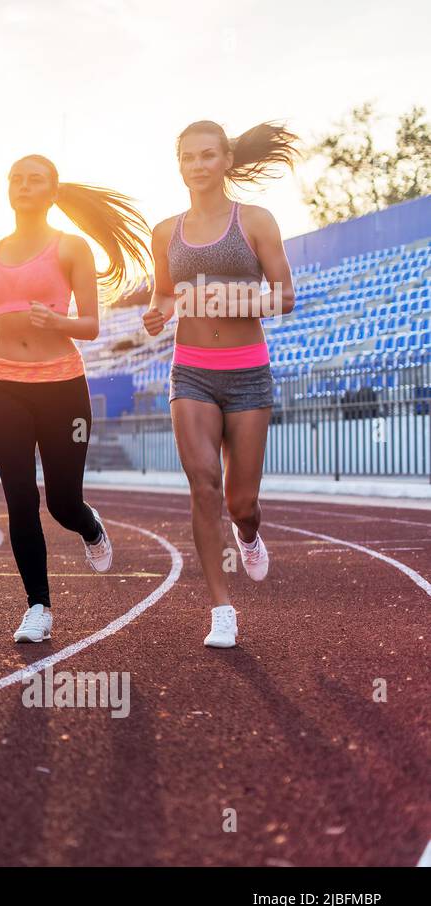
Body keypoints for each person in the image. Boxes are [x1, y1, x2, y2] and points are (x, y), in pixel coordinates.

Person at [0, 155, 151, 644]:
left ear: (51, 190)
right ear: (7, 189)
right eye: (16, 178)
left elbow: (90, 324)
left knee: (62, 502)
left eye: (34, 179)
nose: (24, 186)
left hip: (62, 385)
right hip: (3, 385)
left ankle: (90, 527)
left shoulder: (71, 248)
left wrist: (56, 323)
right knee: (20, 500)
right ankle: (38, 607)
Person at [142, 120, 298, 649]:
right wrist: (157, 313)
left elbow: (285, 296)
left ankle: (249, 535)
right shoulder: (166, 231)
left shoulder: (254, 220)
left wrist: (230, 300)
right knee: (203, 482)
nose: (198, 165)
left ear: (226, 161)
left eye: (209, 155)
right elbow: (164, 295)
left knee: (240, 501)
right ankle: (221, 608)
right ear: (179, 164)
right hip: (191, 372)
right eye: (189, 157)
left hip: (248, 372)